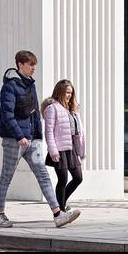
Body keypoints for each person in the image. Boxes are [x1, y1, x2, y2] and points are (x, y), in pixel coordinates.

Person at [0, 50, 81, 229]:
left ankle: (58, 214)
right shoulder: (10, 86)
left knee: (43, 175)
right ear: (20, 64)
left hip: (32, 142)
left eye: (34, 65)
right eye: (30, 64)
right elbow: (6, 114)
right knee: (6, 177)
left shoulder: (30, 85)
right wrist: (19, 136)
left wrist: (38, 137)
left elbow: (34, 114)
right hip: (14, 141)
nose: (34, 68)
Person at [43, 79, 86, 211]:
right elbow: (48, 131)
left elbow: (79, 132)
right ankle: (61, 210)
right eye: (67, 92)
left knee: (78, 178)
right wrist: (53, 151)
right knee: (63, 180)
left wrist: (81, 150)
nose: (69, 95)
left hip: (71, 148)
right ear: (60, 92)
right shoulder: (52, 108)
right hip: (59, 149)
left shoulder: (72, 110)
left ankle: (60, 204)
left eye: (71, 93)